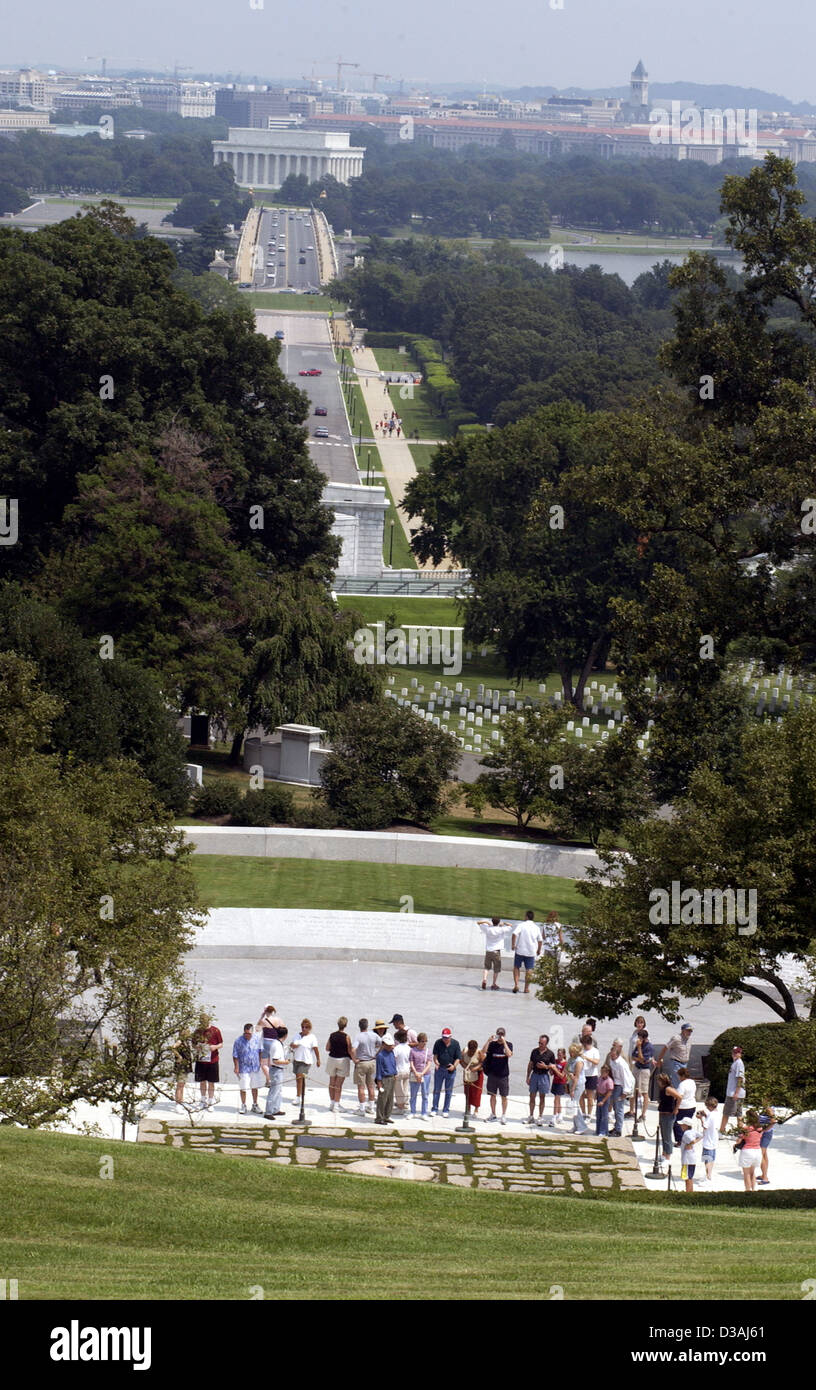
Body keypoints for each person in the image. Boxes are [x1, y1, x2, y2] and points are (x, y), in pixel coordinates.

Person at [192, 1012, 224, 1111]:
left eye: (205, 1022)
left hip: (212, 1060)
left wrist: (215, 1047)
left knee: (211, 1082)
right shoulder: (197, 1031)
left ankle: (210, 1101)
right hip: (201, 1060)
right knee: (202, 1081)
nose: (203, 1024)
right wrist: (197, 1047)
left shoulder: (215, 1030)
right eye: (202, 1022)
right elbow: (193, 1044)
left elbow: (221, 1043)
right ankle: (202, 1100)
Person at [352, 1017, 381, 1116]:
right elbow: (381, 1044)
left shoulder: (358, 1037)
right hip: (372, 1062)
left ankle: (362, 1109)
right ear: (367, 1026)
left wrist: (354, 1059)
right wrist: (376, 1053)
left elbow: (353, 1049)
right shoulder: (374, 1035)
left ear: (359, 1026)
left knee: (361, 1087)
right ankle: (371, 1107)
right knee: (371, 1086)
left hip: (362, 1062)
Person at [483, 1028, 513, 1124]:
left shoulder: (508, 1044)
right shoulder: (492, 1045)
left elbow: (509, 1054)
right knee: (492, 1095)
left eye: (502, 1034)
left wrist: (504, 1043)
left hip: (503, 1075)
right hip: (492, 1074)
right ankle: (493, 1114)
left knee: (504, 1096)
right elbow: (483, 1051)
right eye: (499, 1034)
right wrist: (488, 1041)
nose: (500, 1036)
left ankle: (503, 1115)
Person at [232, 1022, 263, 1115]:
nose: (247, 1035)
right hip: (243, 1067)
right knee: (243, 1087)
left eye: (249, 1033)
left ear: (252, 1032)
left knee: (254, 1086)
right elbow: (235, 1055)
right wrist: (236, 1067)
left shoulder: (257, 1039)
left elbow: (260, 1051)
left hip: (254, 1067)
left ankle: (255, 1104)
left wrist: (260, 1062)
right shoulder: (238, 1041)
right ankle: (243, 1104)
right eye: (245, 1033)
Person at [526, 1033, 555, 1126]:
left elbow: (552, 1068)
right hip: (534, 1075)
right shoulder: (534, 1051)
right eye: (539, 1043)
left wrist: (545, 1066)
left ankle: (540, 1116)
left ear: (546, 1043)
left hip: (544, 1076)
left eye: (542, 1043)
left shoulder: (550, 1054)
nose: (540, 1045)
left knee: (542, 1097)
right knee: (532, 1095)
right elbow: (530, 1064)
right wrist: (528, 1076)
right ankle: (531, 1116)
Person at [325, 1016, 353, 1112]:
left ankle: (332, 1103)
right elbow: (350, 1050)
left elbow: (327, 1048)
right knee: (339, 1084)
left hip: (332, 1059)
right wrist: (355, 1059)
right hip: (343, 1060)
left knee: (331, 1082)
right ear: (345, 1025)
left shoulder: (332, 1035)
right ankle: (336, 1105)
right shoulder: (347, 1037)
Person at [432, 1028, 462, 1117]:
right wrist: (436, 1063)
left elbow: (458, 1058)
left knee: (448, 1091)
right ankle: (434, 1109)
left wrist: (454, 1066)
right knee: (437, 1090)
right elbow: (435, 1056)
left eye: (447, 1037)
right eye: (444, 1037)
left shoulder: (455, 1044)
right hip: (440, 1069)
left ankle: (446, 1110)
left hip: (450, 1070)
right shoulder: (438, 1042)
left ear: (450, 1036)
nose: (445, 1039)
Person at [290, 1019, 321, 1108]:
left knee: (300, 1077)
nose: (304, 1029)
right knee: (299, 1079)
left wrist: (318, 1060)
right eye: (302, 1027)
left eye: (306, 1027)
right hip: (297, 1059)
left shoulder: (312, 1037)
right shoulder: (297, 1035)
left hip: (305, 1061)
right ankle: (301, 1094)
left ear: (309, 1028)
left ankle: (298, 1096)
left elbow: (315, 1049)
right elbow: (292, 1045)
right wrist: (293, 1045)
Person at [511, 910, 542, 994]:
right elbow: (540, 940)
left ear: (526, 917)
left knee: (516, 967)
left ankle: (516, 984)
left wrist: (513, 945)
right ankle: (526, 988)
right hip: (531, 951)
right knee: (529, 969)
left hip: (520, 950)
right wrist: (539, 950)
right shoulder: (536, 927)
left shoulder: (521, 925)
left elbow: (514, 934)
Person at [605, 1037, 630, 1136]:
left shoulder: (621, 1063)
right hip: (615, 1085)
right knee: (615, 1107)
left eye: (613, 1055)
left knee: (619, 1108)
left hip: (620, 1086)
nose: (611, 1057)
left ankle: (618, 1129)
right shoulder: (612, 1061)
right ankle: (616, 1127)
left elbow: (626, 1077)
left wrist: (625, 1092)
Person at [477, 915, 510, 990]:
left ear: (492, 921)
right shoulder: (501, 929)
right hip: (496, 951)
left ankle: (484, 979)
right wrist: (503, 923)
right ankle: (494, 983)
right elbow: (510, 926)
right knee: (496, 969)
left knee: (486, 967)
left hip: (488, 951)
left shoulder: (488, 929)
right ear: (498, 922)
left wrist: (486, 922)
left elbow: (478, 923)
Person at [656, 1023, 693, 1088]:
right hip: (676, 1063)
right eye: (688, 1030)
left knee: (683, 1083)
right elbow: (665, 1048)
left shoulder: (689, 1039)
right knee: (677, 1083)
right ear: (683, 1030)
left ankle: (678, 1097)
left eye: (691, 1031)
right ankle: (677, 1097)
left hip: (685, 1064)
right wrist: (659, 1060)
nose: (690, 1032)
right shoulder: (676, 1038)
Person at [720, 1044, 746, 1134]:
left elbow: (740, 1078)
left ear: (740, 1053)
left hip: (733, 1094)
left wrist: (736, 1093)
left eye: (737, 1052)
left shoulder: (739, 1063)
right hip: (736, 1093)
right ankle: (741, 1132)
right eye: (733, 1052)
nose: (734, 1054)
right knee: (739, 1114)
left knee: (726, 1113)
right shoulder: (736, 1063)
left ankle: (721, 1131)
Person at [264, 1025, 289, 1119]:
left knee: (278, 1091)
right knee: (274, 1091)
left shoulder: (277, 1043)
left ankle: (275, 1109)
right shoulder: (277, 1045)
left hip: (278, 1070)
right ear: (285, 1035)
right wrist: (286, 1062)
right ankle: (268, 1111)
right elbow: (275, 1060)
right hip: (276, 1069)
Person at [630, 1027, 655, 1125]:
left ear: (644, 1038)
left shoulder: (649, 1047)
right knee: (633, 1090)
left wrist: (640, 1048)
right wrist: (639, 1058)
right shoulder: (638, 1045)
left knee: (644, 1092)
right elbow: (633, 1056)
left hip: (644, 1070)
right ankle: (632, 1111)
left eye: (640, 1037)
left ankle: (643, 1114)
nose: (638, 1039)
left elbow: (643, 1059)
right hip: (636, 1068)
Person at [736, 1109, 764, 1192]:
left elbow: (739, 1140)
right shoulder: (760, 1129)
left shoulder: (746, 1129)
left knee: (746, 1174)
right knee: (752, 1173)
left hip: (747, 1151)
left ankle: (748, 1192)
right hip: (757, 1151)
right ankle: (753, 1190)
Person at [657, 1072, 681, 1163]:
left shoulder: (668, 1089)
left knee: (667, 1136)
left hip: (668, 1115)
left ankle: (668, 1156)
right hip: (662, 1113)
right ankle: (664, 1153)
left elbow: (679, 1097)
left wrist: (676, 1108)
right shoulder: (662, 1089)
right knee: (663, 1135)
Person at [626, 1016, 647, 1117]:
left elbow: (645, 1047)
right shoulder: (634, 1032)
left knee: (638, 1086)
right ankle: (631, 1110)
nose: (640, 1024)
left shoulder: (644, 1033)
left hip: (637, 1061)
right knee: (631, 1084)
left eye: (641, 1023)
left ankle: (641, 1111)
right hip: (631, 1058)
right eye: (638, 1022)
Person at [256, 1004, 284, 1080]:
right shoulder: (279, 1020)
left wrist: (262, 1016)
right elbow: (284, 1031)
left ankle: (270, 1078)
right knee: (272, 1063)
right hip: (277, 1042)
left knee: (264, 1064)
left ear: (265, 1011)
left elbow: (257, 1028)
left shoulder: (264, 1021)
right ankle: (269, 1080)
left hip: (267, 1042)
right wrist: (281, 1040)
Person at [374, 1031, 397, 1124]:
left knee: (390, 1099)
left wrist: (395, 1074)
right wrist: (379, 1083)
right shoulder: (380, 1055)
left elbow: (393, 1064)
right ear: (383, 1044)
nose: (390, 1046)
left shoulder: (391, 1053)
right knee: (382, 1099)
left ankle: (387, 1116)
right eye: (388, 1045)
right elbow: (379, 1070)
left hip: (392, 1077)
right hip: (384, 1078)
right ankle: (379, 1118)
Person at [409, 1032, 433, 1119]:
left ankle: (424, 1113)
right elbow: (411, 1062)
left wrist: (422, 1073)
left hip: (425, 1075)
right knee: (413, 1094)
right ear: (418, 1041)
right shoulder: (413, 1051)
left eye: (425, 1041)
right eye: (422, 1041)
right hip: (415, 1074)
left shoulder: (428, 1051)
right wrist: (415, 1073)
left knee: (425, 1094)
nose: (424, 1043)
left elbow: (429, 1064)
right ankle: (412, 1111)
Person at [460, 1038, 485, 1120]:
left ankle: (476, 1110)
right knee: (467, 1091)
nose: (471, 1052)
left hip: (477, 1075)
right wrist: (466, 1067)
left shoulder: (479, 1052)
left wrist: (476, 1068)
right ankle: (468, 1108)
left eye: (473, 1051)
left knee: (477, 1092)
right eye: (471, 1050)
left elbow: (483, 1062)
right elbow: (461, 1060)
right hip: (467, 1074)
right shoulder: (465, 1051)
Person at [673, 1066, 698, 1145]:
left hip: (683, 1107)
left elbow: (679, 1097)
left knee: (677, 1124)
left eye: (679, 1076)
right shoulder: (692, 1082)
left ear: (682, 1076)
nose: (679, 1078)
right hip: (692, 1105)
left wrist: (676, 1108)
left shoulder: (682, 1084)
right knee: (687, 1124)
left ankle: (680, 1141)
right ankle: (688, 1139)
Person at [567, 1044, 588, 1133]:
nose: (571, 1054)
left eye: (572, 1052)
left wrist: (572, 1090)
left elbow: (577, 1077)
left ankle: (582, 1126)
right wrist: (570, 1074)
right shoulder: (571, 1059)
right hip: (571, 1082)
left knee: (575, 1104)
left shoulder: (579, 1061)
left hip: (578, 1084)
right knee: (573, 1105)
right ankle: (575, 1125)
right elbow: (566, 1069)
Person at [679, 1118, 703, 1193]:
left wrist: (690, 1144)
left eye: (682, 1125)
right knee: (689, 1177)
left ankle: (688, 1192)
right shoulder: (693, 1131)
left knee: (687, 1177)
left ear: (686, 1126)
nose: (680, 1126)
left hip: (687, 1159)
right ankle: (690, 1192)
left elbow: (692, 1140)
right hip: (691, 1158)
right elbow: (701, 1135)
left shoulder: (686, 1134)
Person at [172, 1028, 192, 1114]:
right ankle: (178, 1104)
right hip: (181, 1066)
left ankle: (181, 1101)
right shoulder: (180, 1041)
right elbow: (173, 1048)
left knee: (182, 1084)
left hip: (185, 1066)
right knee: (180, 1085)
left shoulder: (186, 1041)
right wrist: (179, 1056)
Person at [580, 1034, 600, 1119]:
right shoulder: (581, 1050)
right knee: (581, 1095)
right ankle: (583, 1113)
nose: (583, 1046)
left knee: (590, 1097)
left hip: (591, 1075)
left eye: (584, 1044)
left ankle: (589, 1114)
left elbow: (596, 1062)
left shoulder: (595, 1051)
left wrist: (587, 1058)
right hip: (582, 1074)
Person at [700, 1096, 719, 1183]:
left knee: (707, 1160)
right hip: (714, 1140)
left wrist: (702, 1118)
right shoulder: (716, 1113)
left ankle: (707, 1176)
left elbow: (705, 1126)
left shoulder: (710, 1115)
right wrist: (705, 1115)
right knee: (712, 1159)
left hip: (708, 1140)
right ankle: (709, 1175)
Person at [393, 1029, 412, 1113]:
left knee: (398, 1089)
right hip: (407, 1070)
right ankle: (404, 1104)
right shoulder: (409, 1048)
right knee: (405, 1088)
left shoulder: (397, 1048)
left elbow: (393, 1060)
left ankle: (400, 1107)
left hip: (399, 1070)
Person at [758, 1103, 777, 1185]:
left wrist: (764, 1130)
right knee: (764, 1154)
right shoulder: (764, 1107)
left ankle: (765, 1178)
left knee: (760, 1155)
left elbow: (773, 1122)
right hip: (764, 1134)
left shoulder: (769, 1109)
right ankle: (763, 1175)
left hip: (765, 1135)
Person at [595, 1064, 614, 1137]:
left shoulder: (609, 1081)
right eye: (601, 1072)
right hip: (599, 1097)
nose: (602, 1073)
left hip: (605, 1098)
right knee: (598, 1115)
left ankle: (603, 1131)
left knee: (604, 1116)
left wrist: (603, 1101)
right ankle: (598, 1130)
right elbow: (597, 1087)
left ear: (607, 1073)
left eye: (603, 1072)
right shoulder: (600, 1078)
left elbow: (609, 1093)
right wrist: (596, 1096)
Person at [551, 1048, 568, 1126]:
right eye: (558, 1055)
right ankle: (560, 1116)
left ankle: (554, 1117)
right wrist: (551, 1068)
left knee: (556, 1101)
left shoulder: (565, 1064)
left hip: (561, 1083)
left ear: (564, 1055)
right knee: (558, 1100)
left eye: (560, 1055)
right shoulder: (555, 1061)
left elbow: (562, 1075)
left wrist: (555, 1069)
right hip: (555, 1082)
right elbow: (551, 1073)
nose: (559, 1056)